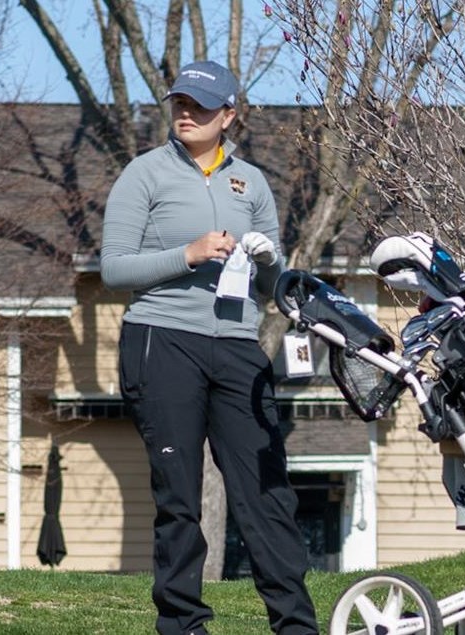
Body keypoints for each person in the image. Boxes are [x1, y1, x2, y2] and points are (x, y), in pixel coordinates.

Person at [100, 60, 319, 635]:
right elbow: (114, 269)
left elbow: (273, 285)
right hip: (162, 340)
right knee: (180, 496)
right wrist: (188, 254)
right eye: (179, 102)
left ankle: (295, 625)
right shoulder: (143, 175)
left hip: (239, 347)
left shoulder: (251, 182)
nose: (186, 112)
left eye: (200, 105)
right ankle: (182, 624)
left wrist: (273, 265)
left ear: (229, 115)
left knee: (266, 491)